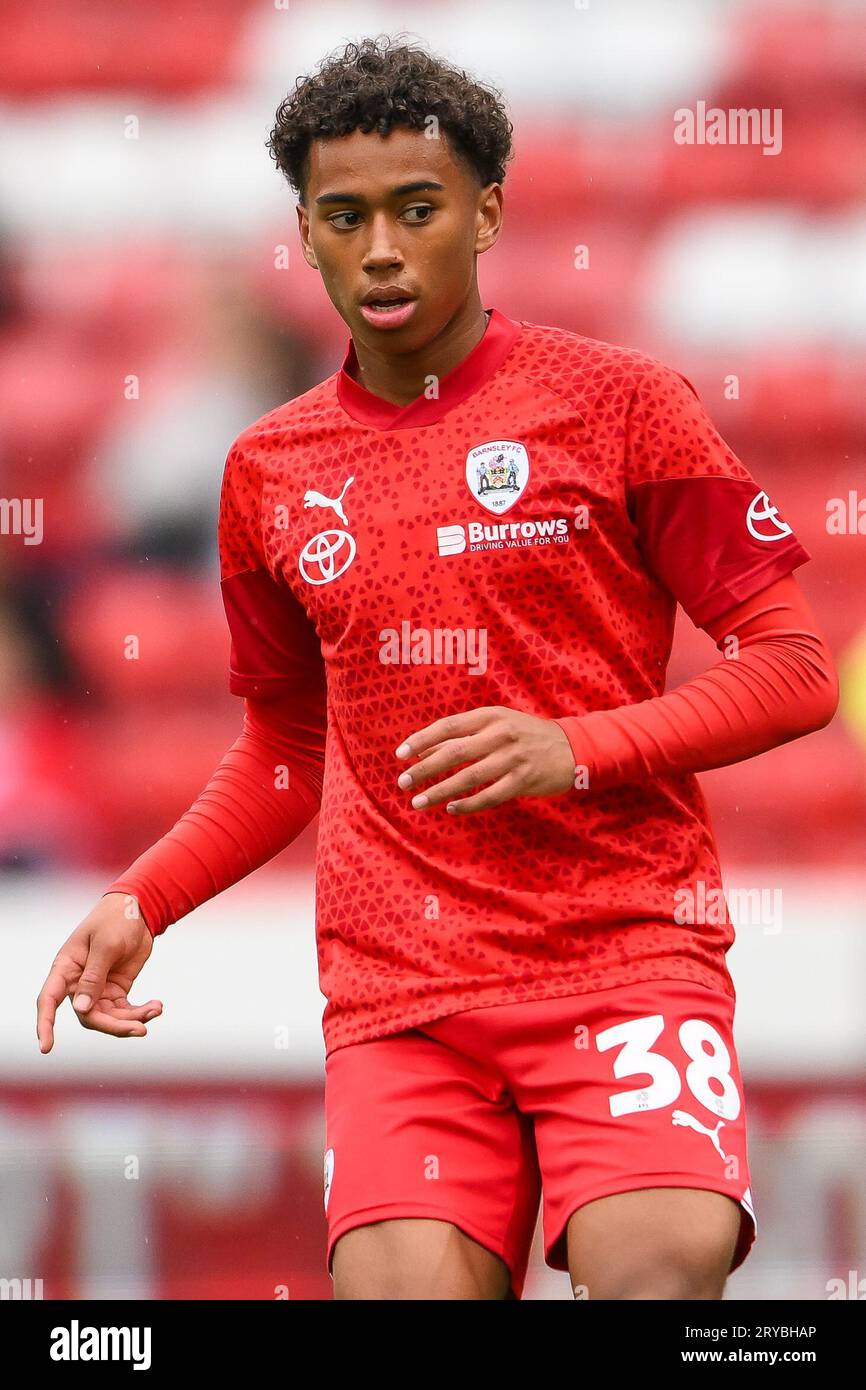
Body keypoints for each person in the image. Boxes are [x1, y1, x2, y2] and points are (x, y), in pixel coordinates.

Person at [37, 36, 839, 1301]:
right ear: (302, 232)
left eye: (418, 209)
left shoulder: (621, 404)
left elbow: (794, 665)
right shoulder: (268, 471)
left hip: (620, 950)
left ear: (486, 212)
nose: (383, 248)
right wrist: (145, 898)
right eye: (344, 217)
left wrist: (574, 745)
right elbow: (292, 751)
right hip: (403, 990)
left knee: (660, 1267)